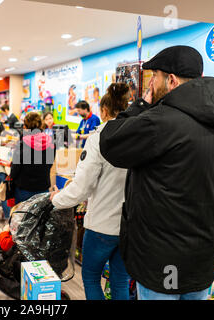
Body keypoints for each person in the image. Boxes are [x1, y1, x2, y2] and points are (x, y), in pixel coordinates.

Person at [99, 45, 214, 300]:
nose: (151, 84)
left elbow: (109, 141)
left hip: (160, 260)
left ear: (171, 80)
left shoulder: (161, 120)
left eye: (154, 76)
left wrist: (142, 103)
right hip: (202, 255)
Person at [50, 83, 131, 300]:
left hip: (101, 225)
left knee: (92, 278)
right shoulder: (138, 136)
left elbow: (81, 188)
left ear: (103, 111)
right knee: (120, 282)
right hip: (129, 226)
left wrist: (56, 200)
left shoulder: (99, 138)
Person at [10, 112, 55, 204]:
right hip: (43, 187)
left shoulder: (22, 144)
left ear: (26, 127)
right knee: (40, 217)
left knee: (21, 217)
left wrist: (12, 178)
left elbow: (15, 169)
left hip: (24, 188)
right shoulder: (50, 143)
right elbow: (50, 164)